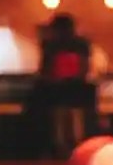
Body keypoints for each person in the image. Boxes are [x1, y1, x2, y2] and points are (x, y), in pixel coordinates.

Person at [37, 14, 92, 156]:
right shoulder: (81, 44)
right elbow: (85, 67)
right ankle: (77, 145)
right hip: (77, 87)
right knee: (75, 116)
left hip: (57, 88)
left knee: (59, 117)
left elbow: (45, 68)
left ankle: (60, 146)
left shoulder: (50, 45)